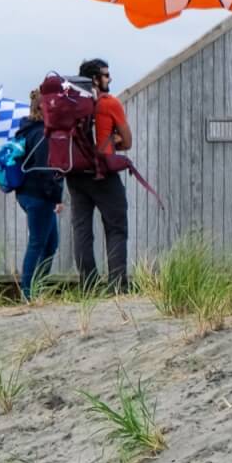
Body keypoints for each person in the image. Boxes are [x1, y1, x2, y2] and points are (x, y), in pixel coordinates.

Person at [68, 58, 132, 292]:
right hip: (102, 172)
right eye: (106, 75)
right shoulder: (109, 103)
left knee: (82, 230)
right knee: (116, 227)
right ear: (94, 79)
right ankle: (117, 285)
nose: (109, 79)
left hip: (74, 174)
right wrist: (113, 139)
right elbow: (127, 141)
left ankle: (89, 286)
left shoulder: (71, 103)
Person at [14, 89, 65, 299]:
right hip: (39, 195)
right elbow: (47, 170)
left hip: (25, 192)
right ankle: (29, 292)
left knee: (50, 243)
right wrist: (56, 198)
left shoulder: (26, 130)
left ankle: (37, 287)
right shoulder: (43, 134)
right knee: (37, 242)